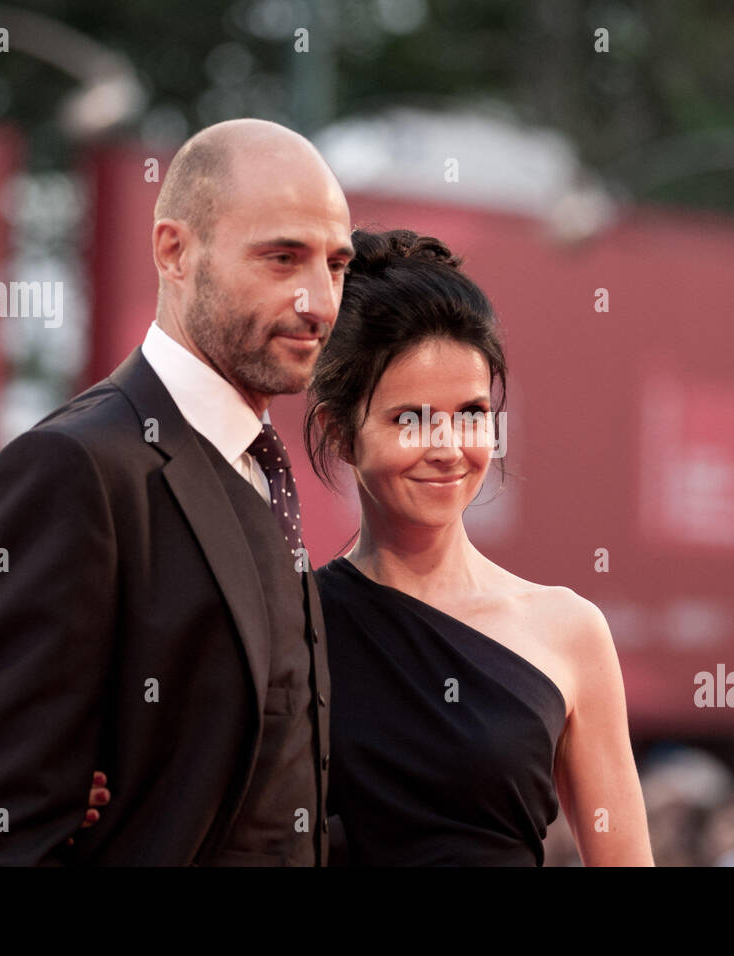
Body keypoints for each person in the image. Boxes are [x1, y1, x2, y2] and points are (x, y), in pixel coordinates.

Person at [87, 228, 654, 865]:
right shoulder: (285, 627)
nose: (446, 447)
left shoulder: (569, 631)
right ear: (339, 431)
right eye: (409, 417)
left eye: (471, 413)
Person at [0, 118, 355, 865]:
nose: (318, 300)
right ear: (174, 251)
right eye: (282, 257)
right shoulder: (71, 471)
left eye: (337, 264)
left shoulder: (263, 471)